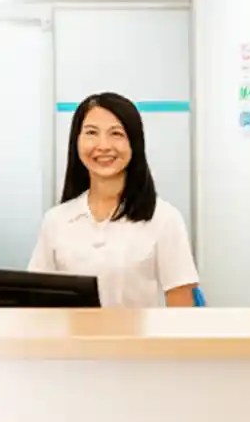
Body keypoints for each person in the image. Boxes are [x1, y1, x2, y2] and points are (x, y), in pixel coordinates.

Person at [28, 92, 199, 307]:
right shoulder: (56, 221)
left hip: (141, 342)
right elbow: (36, 301)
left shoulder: (164, 219)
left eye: (116, 134)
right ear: (76, 141)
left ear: (134, 143)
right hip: (74, 341)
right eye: (91, 133)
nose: (103, 145)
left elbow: (181, 306)